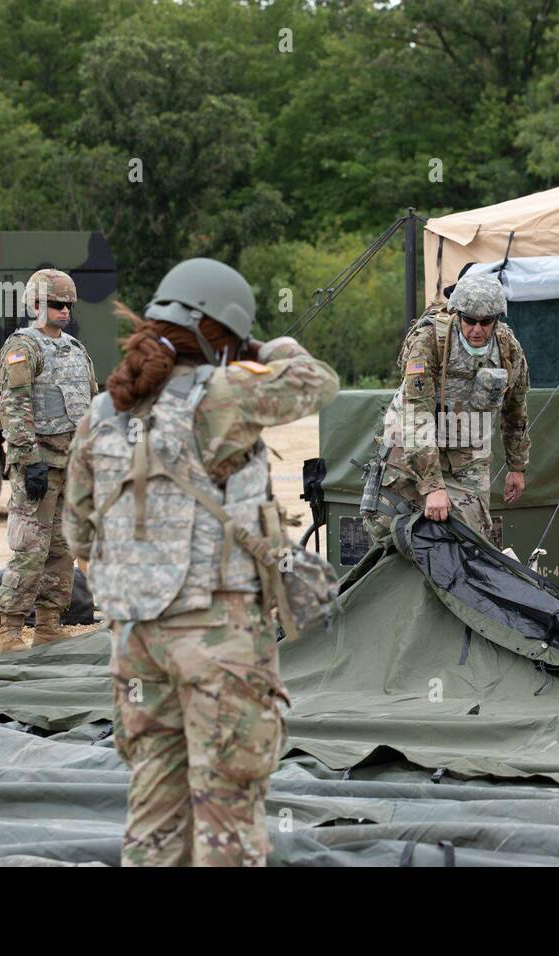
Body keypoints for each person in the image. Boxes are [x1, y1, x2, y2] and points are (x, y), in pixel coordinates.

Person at [63, 258, 338, 867]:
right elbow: (318, 382)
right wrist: (272, 346)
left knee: (153, 815)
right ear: (223, 334)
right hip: (218, 638)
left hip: (135, 641)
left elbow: (78, 530)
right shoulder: (225, 394)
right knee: (227, 815)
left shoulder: (103, 412)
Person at [361, 273, 529, 542]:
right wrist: (433, 486)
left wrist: (517, 466)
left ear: (497, 319)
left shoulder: (507, 349)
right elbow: (417, 417)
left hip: (467, 449)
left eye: (485, 322)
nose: (477, 329)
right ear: (457, 313)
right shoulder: (427, 343)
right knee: (386, 532)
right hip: (409, 443)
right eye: (469, 320)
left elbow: (516, 408)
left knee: (471, 539)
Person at [0, 268, 96, 651]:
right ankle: (10, 628)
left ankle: (49, 624)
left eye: (69, 304)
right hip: (38, 464)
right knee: (30, 548)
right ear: (35, 305)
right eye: (57, 304)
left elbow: (89, 402)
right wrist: (27, 458)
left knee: (62, 548)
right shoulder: (23, 348)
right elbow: (15, 407)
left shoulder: (74, 348)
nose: (65, 310)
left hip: (71, 464)